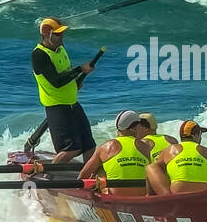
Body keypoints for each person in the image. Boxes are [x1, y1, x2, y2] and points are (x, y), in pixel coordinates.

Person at [30, 17, 96, 163]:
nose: (62, 37)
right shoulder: (39, 55)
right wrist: (80, 69)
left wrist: (76, 82)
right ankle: (50, 178)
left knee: (89, 146)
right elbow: (56, 82)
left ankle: (90, 178)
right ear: (47, 34)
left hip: (73, 103)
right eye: (58, 34)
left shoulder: (60, 49)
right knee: (70, 148)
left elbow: (66, 72)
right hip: (57, 107)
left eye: (62, 33)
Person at [78, 110, 151, 196]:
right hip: (142, 196)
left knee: (99, 169)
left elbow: (83, 175)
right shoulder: (146, 147)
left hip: (115, 196)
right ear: (134, 128)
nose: (141, 128)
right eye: (140, 125)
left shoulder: (106, 147)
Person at [146, 120, 207, 195]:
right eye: (200, 134)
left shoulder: (170, 150)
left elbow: (153, 175)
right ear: (196, 135)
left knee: (151, 167)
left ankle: (157, 197)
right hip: (202, 193)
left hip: (177, 195)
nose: (201, 138)